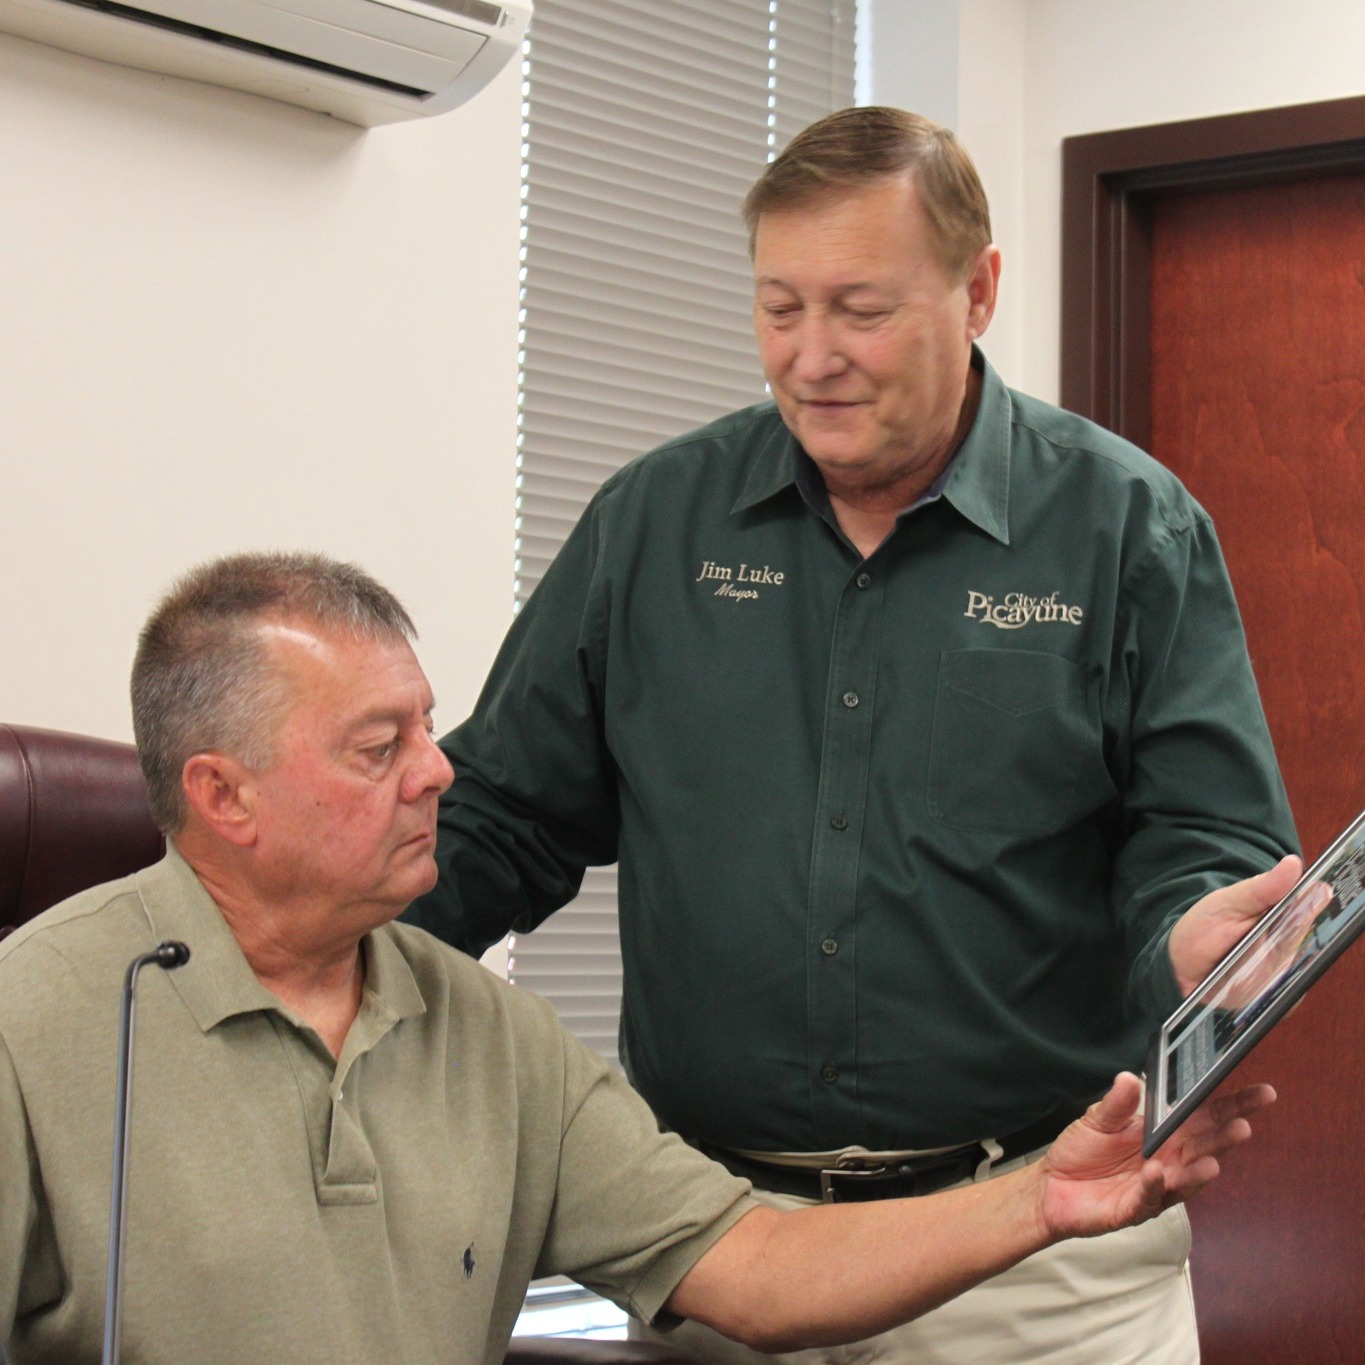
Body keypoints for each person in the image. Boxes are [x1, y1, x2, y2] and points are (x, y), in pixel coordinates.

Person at [405, 107, 1301, 1362]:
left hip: (1035, 1243)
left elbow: (1201, 840)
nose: (811, 357)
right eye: (780, 308)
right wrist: (309, 945)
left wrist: (1196, 936)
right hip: (721, 1244)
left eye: (861, 311)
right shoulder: (654, 523)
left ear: (977, 292)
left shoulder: (1126, 529)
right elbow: (504, 815)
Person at [0, 551, 1272, 1365]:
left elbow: (753, 1265)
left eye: (429, 728)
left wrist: (1043, 1196)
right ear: (223, 796)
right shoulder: (34, 1022)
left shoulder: (487, 1035)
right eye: (379, 748)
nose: (440, 772)